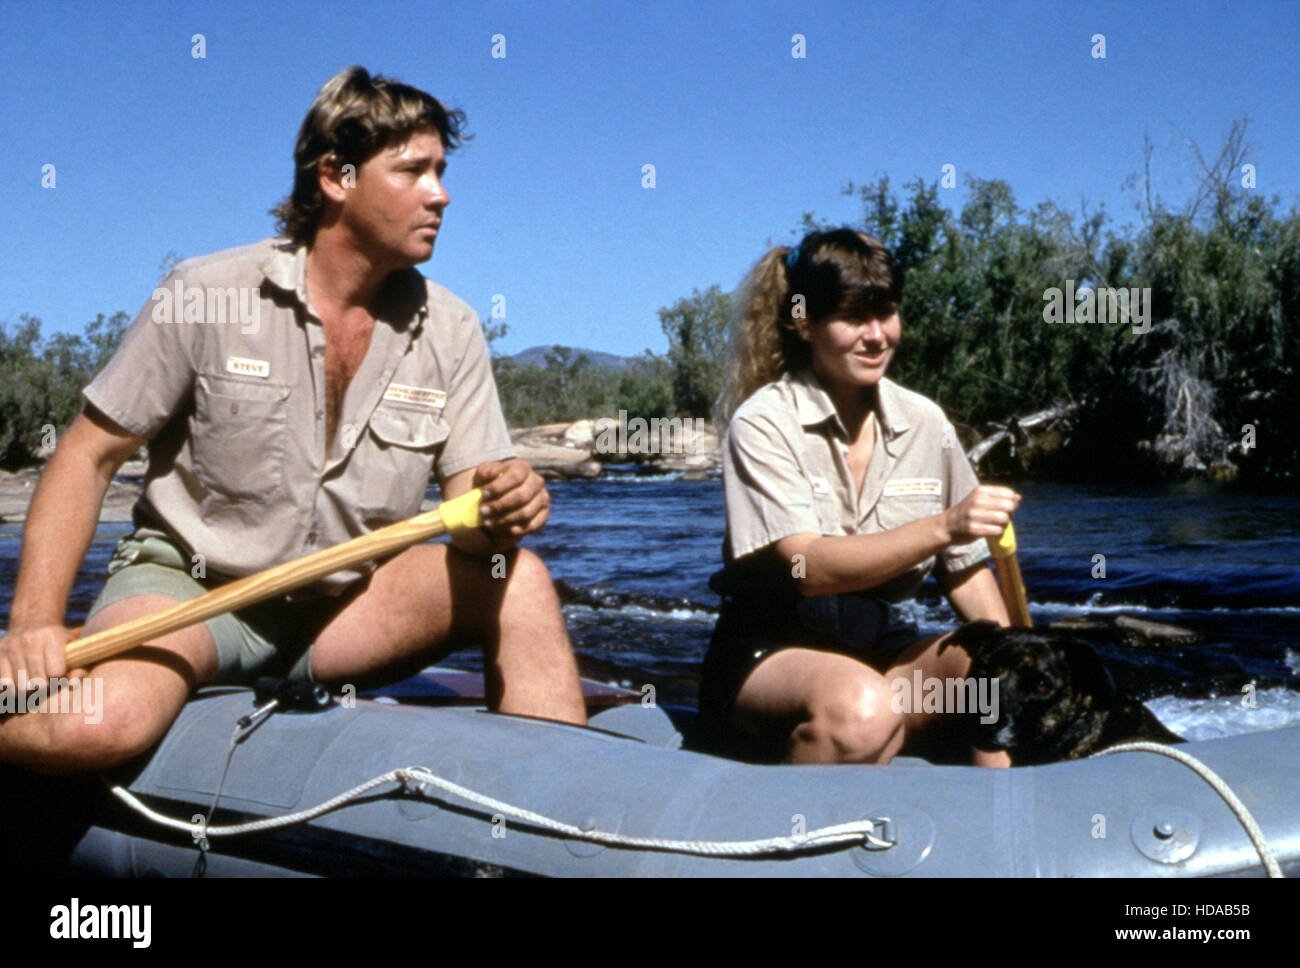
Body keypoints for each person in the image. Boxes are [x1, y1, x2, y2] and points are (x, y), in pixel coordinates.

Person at [0, 66, 586, 774]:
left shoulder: (453, 328)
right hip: (196, 597)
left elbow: (472, 521)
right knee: (96, 727)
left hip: (345, 612)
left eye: (442, 170)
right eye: (413, 171)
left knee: (514, 577)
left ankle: (558, 811)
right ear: (336, 178)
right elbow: (86, 457)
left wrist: (505, 505)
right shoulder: (205, 293)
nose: (442, 193)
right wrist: (32, 622)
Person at [699, 228, 1020, 766]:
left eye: (887, 313)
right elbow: (808, 567)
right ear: (805, 323)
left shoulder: (926, 423)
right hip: (769, 656)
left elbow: (965, 569)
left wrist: (1016, 659)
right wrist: (944, 526)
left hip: (885, 657)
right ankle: (793, 834)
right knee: (861, 707)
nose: (877, 336)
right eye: (854, 318)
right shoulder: (762, 423)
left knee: (995, 682)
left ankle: (1004, 827)